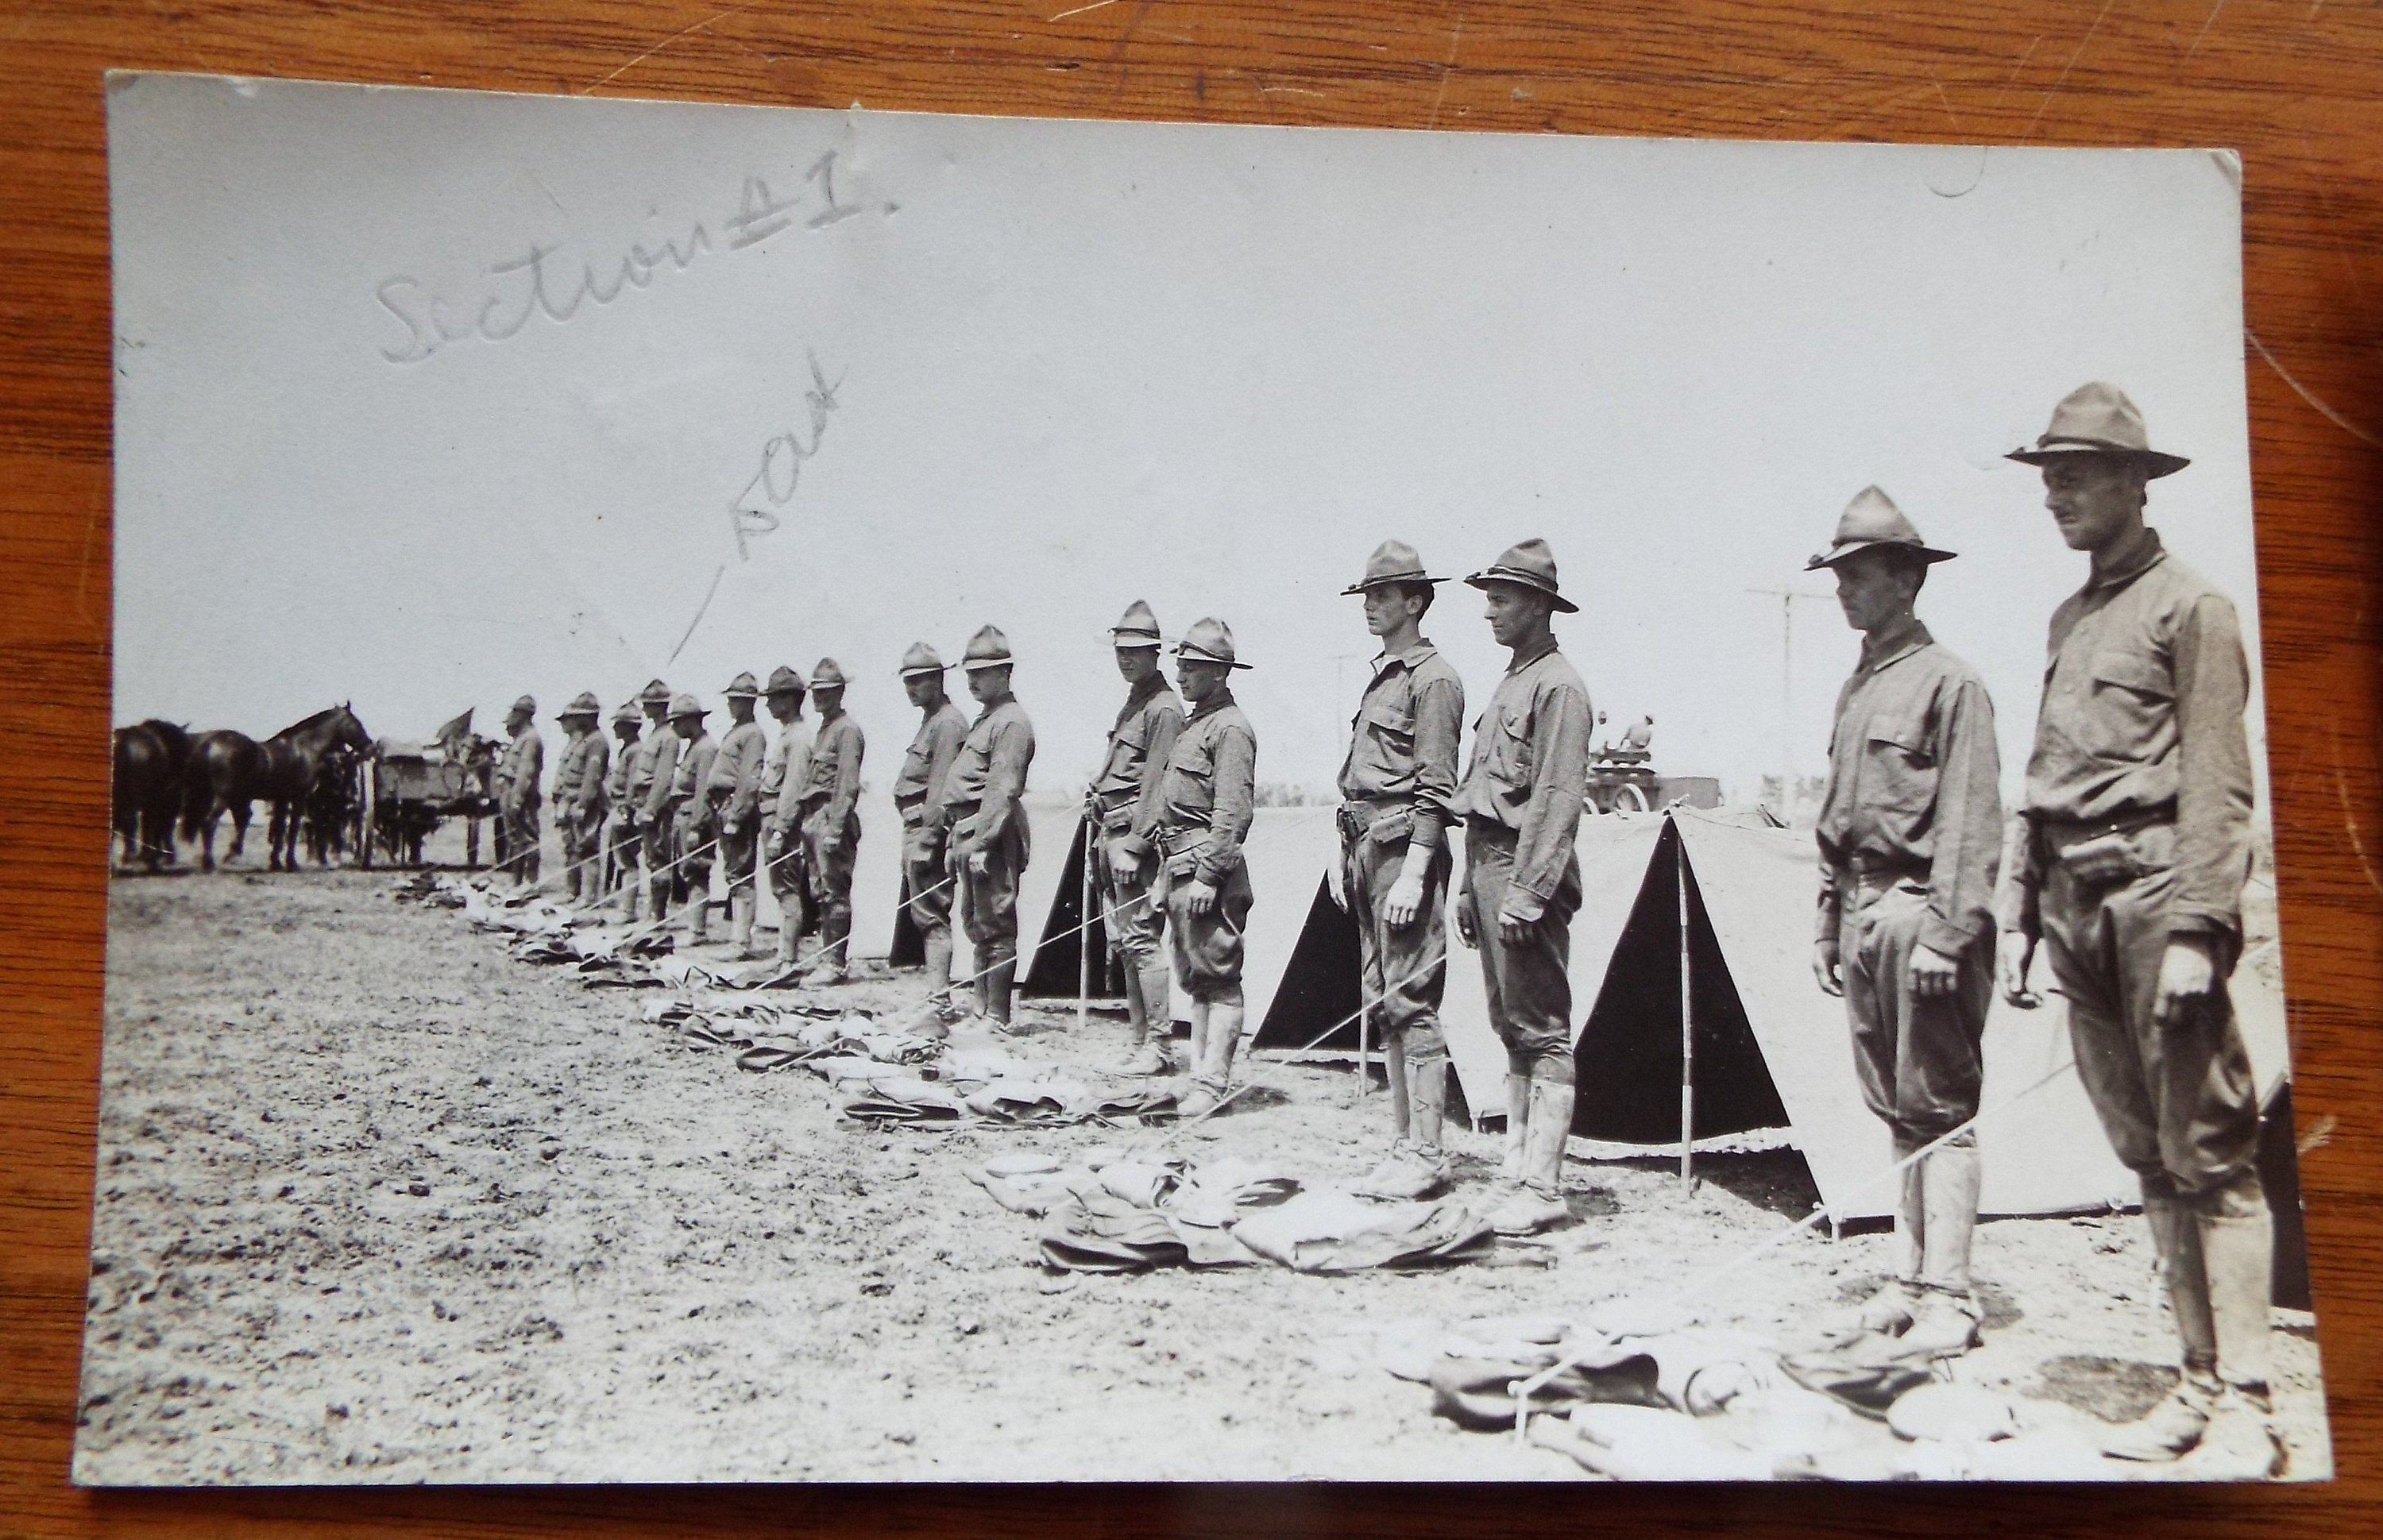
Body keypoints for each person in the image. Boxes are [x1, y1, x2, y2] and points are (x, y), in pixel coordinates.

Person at [1997, 383, 2277, 1469]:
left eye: (2073, 472)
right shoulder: (2070, 619)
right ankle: (2194, 1375)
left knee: (2211, 1146)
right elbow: (2043, 781)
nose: (2054, 492)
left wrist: (2204, 926)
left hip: (2160, 896)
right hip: (2076, 907)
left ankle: (2247, 1397)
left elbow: (2219, 780)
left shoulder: (2192, 607)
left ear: (2134, 482)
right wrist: (2021, 910)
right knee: (2149, 1154)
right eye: (2046, 475)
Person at [1806, 488, 2001, 1360]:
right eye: (1839, 573)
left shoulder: (1951, 682)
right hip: (1864, 910)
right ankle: (1908, 1278)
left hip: (1924, 911)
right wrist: (1826, 923)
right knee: (1895, 1105)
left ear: (1907, 579)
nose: (1845, 588)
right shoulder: (1859, 684)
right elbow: (1838, 820)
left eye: (1861, 573)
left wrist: (1948, 935)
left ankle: (1951, 1294)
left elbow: (1971, 820)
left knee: (1943, 1108)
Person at [1452, 539, 1593, 1236]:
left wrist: (1529, 891)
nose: (1488, 612)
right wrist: (1465, 886)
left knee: (1543, 1030)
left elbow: (1557, 798)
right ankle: (1516, 1169)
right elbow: (1481, 793)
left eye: (1501, 599)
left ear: (1538, 605)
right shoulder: (1513, 680)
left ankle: (1544, 1183)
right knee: (1509, 1026)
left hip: (1521, 867)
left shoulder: (1558, 685)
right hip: (1487, 862)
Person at [1334, 542, 1466, 1199]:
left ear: (1416, 601)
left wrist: (1415, 871)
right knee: (1383, 999)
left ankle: (1428, 1152)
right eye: (1366, 594)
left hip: (1399, 851)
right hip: (1364, 848)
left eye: (1382, 595)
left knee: (1411, 996)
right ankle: (1404, 1141)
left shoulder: (1432, 679)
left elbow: (1436, 789)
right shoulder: (1383, 675)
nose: (1370, 605)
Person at [1152, 618, 1258, 1117]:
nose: (1180, 674)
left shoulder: (1231, 728)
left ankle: (1213, 1085)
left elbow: (1232, 813)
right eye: (1179, 664)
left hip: (1204, 868)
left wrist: (1208, 876)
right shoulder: (1197, 723)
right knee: (1196, 977)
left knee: (1218, 975)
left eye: (1191, 667)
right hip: (1179, 863)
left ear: (1218, 673)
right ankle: (1199, 1076)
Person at [1087, 601, 1186, 1074]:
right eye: (1120, 651)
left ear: (1156, 653)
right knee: (1126, 941)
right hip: (1112, 830)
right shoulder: (1137, 701)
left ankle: (1160, 1046)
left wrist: (1138, 844)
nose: (1125, 659)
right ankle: (1139, 1040)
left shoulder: (1164, 708)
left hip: (1132, 837)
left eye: (1136, 651)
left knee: (1142, 939)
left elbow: (1159, 782)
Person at [940, 626, 1037, 1026]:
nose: (973, 680)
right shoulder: (989, 718)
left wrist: (982, 843)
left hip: (989, 835)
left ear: (1006, 672)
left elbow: (1003, 787)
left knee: (996, 925)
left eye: (983, 672)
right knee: (978, 926)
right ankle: (981, 1009)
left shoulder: (1011, 722)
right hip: (968, 831)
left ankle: (996, 1015)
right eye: (969, 672)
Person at [894, 643, 970, 1011]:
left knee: (932, 915)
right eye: (908, 681)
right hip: (914, 829)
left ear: (939, 680)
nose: (912, 688)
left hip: (928, 833)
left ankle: (939, 998)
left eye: (920, 680)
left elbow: (941, 790)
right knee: (923, 913)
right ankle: (935, 993)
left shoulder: (948, 723)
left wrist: (927, 840)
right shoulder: (932, 721)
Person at [794, 659, 866, 985]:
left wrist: (836, 828)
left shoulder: (847, 730)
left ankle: (835, 963)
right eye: (815, 691)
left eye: (826, 691)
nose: (818, 697)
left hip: (829, 817)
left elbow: (847, 783)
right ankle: (827, 957)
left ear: (840, 692)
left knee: (834, 892)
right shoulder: (826, 729)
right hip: (814, 817)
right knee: (819, 892)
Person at [707, 673, 771, 956]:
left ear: (750, 703)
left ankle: (741, 941)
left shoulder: (753, 734)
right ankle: (737, 938)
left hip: (736, 807)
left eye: (739, 700)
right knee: (732, 873)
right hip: (724, 805)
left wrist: (737, 815)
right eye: (731, 700)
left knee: (741, 875)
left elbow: (749, 778)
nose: (732, 705)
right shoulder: (736, 731)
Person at [757, 666, 812, 968]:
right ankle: (784, 956)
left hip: (782, 823)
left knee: (787, 889)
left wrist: (780, 830)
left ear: (790, 700)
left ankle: (787, 959)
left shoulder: (799, 738)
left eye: (774, 698)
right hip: (772, 818)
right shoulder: (788, 734)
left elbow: (792, 788)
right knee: (780, 889)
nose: (768, 704)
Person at [662, 693, 719, 941]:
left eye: (677, 721)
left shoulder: (705, 749)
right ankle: (694, 927)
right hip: (683, 816)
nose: (674, 726)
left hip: (694, 819)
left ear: (691, 721)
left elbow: (703, 791)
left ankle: (698, 931)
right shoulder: (694, 747)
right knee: (688, 872)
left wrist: (697, 825)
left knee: (696, 872)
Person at [550, 692, 611, 906]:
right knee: (571, 847)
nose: (574, 720)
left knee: (587, 847)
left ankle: (589, 896)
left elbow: (592, 777)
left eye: (578, 716)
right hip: (571, 799)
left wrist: (583, 805)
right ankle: (572, 891)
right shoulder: (582, 740)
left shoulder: (597, 741)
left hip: (586, 802)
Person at [635, 678, 683, 925]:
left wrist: (651, 809)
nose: (644, 707)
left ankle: (658, 915)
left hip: (657, 806)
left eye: (649, 704)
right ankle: (654, 912)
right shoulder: (656, 733)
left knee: (659, 859)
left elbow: (663, 778)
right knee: (651, 858)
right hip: (645, 801)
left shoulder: (669, 736)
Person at [494, 695, 544, 886]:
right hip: (510, 791)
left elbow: (526, 772)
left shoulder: (531, 738)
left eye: (515, 712)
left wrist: (517, 798)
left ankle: (531, 883)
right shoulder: (521, 739)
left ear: (524, 715)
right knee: (515, 839)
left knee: (528, 838)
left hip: (521, 794)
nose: (511, 716)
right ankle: (516, 882)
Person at [601, 700, 643, 910]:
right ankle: (619, 903)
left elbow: (633, 782)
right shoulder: (627, 749)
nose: (616, 728)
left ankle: (628, 909)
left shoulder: (635, 750)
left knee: (626, 861)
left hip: (625, 810)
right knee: (619, 860)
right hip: (617, 807)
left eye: (620, 724)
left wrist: (626, 809)